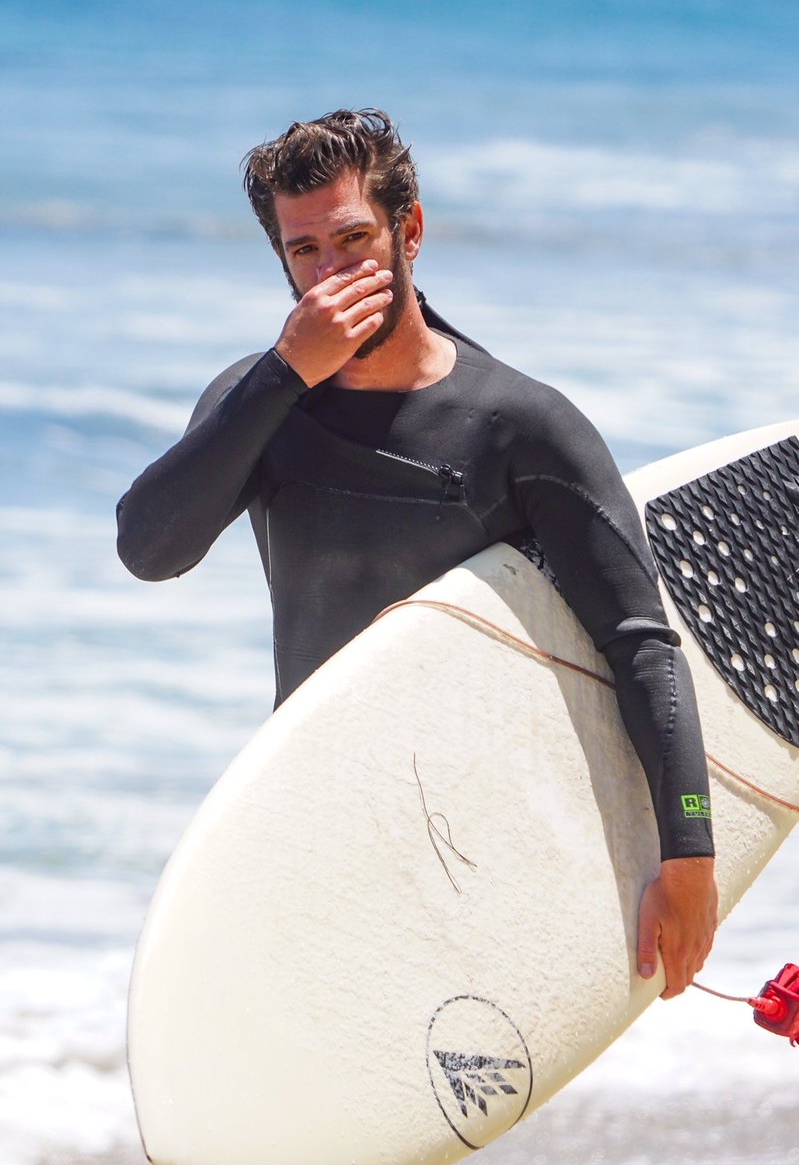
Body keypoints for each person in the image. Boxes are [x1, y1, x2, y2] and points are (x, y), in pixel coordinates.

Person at [117, 108, 717, 998]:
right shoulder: (257, 404)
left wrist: (690, 855)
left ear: (412, 231)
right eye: (303, 251)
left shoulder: (520, 425)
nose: (329, 275)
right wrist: (283, 376)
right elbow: (150, 549)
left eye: (353, 239)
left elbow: (639, 643)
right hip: (312, 809)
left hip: (479, 836)